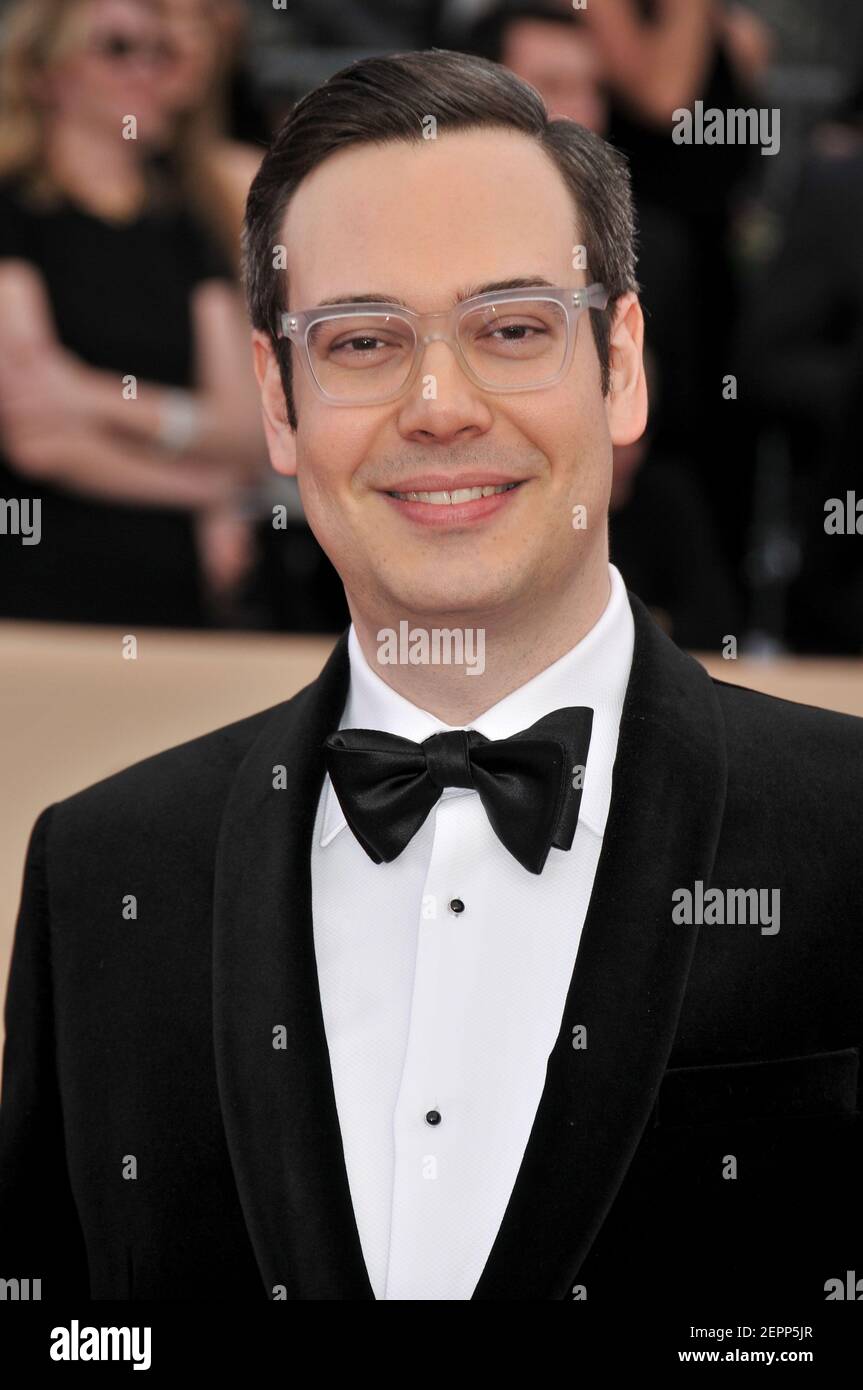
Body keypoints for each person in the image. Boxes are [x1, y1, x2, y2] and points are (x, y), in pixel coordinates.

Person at [0, 50, 860, 1306]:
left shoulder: (847, 833)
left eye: (510, 328)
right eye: (361, 340)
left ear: (618, 366)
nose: (438, 404)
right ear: (278, 403)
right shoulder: (102, 875)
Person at [0, 0, 266, 626]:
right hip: (35, 581)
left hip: (179, 595)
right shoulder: (13, 212)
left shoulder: (184, 222)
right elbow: (39, 440)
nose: (147, 68)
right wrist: (204, 487)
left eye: (162, 51)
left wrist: (86, 395)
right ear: (47, 71)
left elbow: (248, 429)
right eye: (118, 47)